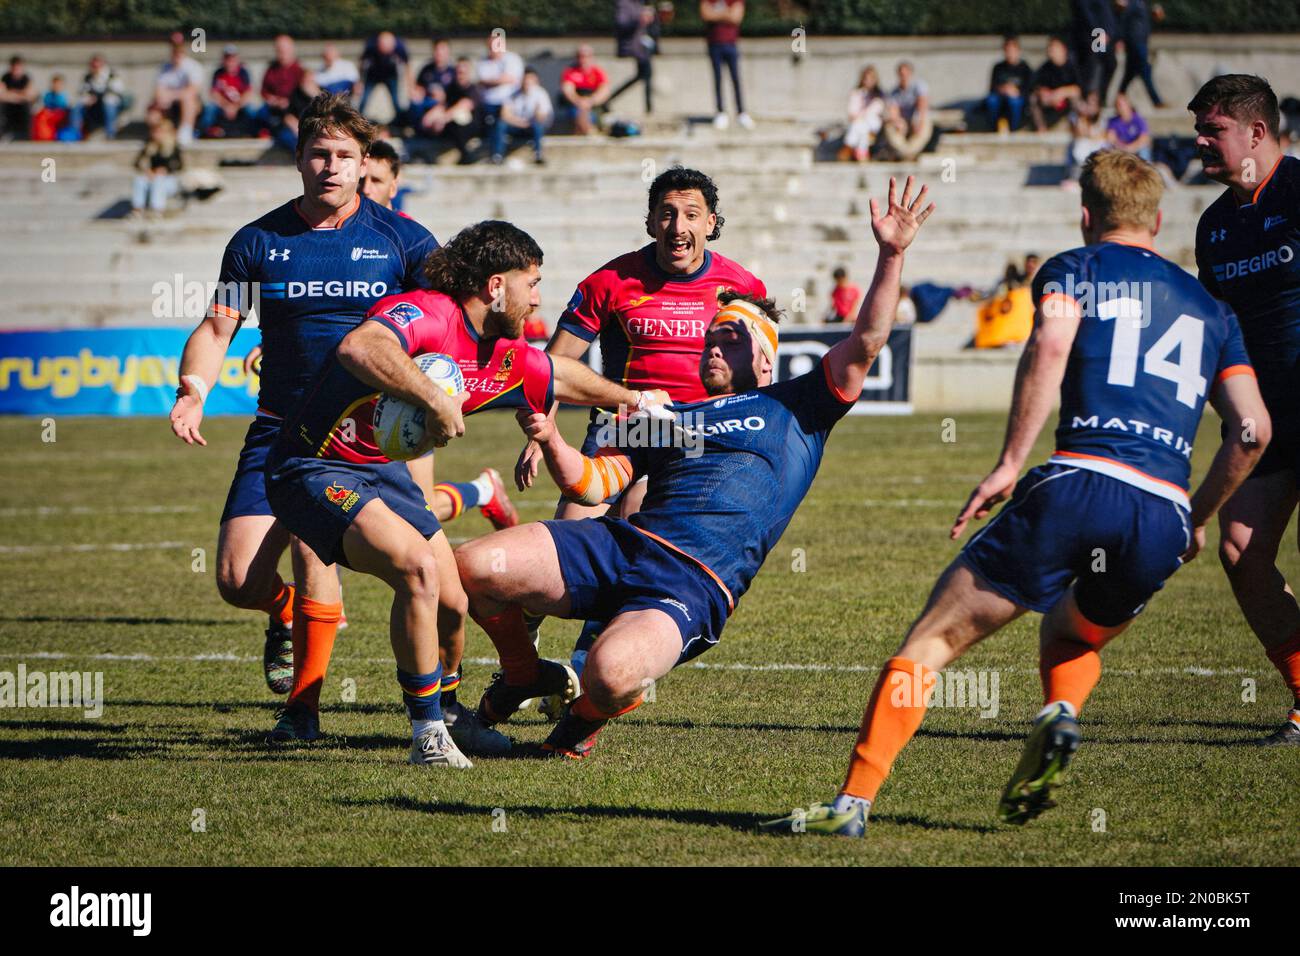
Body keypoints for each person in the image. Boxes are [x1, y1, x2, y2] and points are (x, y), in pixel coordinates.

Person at [761, 150, 1268, 836]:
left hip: (1079, 481)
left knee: (930, 644)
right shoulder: (1214, 310)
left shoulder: (1073, 268)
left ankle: (851, 803)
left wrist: (1008, 463)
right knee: (1072, 632)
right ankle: (1059, 714)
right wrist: (1196, 519)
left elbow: (1050, 348)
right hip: (1160, 515)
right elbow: (1251, 430)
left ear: (1086, 214)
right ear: (1156, 218)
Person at [457, 176, 933, 758]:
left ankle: (574, 727)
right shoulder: (664, 411)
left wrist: (891, 254)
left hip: (690, 580)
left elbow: (866, 341)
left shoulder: (795, 406)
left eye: (727, 337)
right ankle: (526, 673)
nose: (709, 344)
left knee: (610, 672)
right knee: (473, 566)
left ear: (763, 355)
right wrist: (551, 437)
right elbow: (592, 480)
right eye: (709, 335)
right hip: (621, 536)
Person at [265, 220, 667, 764]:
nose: (538, 298)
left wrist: (634, 400)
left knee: (453, 596)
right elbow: (360, 346)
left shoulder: (504, 349)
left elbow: (559, 374)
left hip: (380, 471)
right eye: (532, 282)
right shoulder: (429, 311)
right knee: (417, 570)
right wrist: (433, 396)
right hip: (311, 465)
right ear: (496, 286)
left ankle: (452, 715)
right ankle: (426, 734)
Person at [168, 94, 438, 721]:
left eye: (346, 155)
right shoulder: (257, 240)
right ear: (299, 160)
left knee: (355, 562)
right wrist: (194, 391)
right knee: (238, 582)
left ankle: (307, 710)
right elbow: (216, 327)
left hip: (365, 435)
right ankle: (284, 615)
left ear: (363, 161)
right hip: (280, 429)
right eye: (320, 153)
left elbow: (440, 325)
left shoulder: (405, 240)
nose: (333, 166)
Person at [514, 166, 767, 692]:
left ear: (712, 223)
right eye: (667, 213)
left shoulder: (743, 287)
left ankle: (581, 678)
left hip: (686, 444)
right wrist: (539, 436)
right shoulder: (609, 282)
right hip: (618, 433)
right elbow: (555, 364)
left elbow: (756, 375)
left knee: (634, 546)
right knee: (566, 543)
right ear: (650, 221)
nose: (678, 226)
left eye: (691, 214)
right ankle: (525, 646)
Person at [1191, 74, 1300, 745]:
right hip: (1269, 422)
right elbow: (1221, 336)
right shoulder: (1214, 228)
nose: (1200, 142)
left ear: (1257, 133)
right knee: (1240, 549)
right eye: (1200, 130)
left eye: (1214, 130)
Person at [359, 139, 520, 530]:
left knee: (417, 514)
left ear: (395, 185)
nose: (366, 189)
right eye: (360, 179)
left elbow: (449, 313)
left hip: (409, 390)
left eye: (377, 180)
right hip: (351, 384)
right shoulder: (331, 240)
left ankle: (481, 492)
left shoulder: (413, 241)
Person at [414, 56, 479, 163]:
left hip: (471, 126)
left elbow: (463, 105)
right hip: (451, 123)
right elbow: (443, 105)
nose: (460, 75)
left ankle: (467, 157)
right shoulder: (452, 88)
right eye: (458, 72)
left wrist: (442, 119)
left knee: (457, 126)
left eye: (463, 72)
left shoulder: (473, 89)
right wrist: (429, 118)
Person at [701, 0, 753, 130]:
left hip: (730, 43)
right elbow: (706, 14)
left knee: (736, 79)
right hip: (714, 44)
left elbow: (736, 17)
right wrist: (727, 13)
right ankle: (720, 112)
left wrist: (716, 13)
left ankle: (741, 112)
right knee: (718, 79)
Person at [258, 34, 315, 150]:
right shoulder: (271, 70)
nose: (282, 54)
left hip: (294, 113)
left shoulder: (300, 71)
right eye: (279, 50)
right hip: (276, 111)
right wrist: (273, 100)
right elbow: (264, 92)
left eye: (284, 50)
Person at [491, 67, 552, 165]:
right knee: (500, 125)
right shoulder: (512, 94)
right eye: (525, 79)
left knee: (538, 126)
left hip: (532, 126)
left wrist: (532, 119)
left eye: (530, 80)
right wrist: (520, 123)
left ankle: (538, 154)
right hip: (517, 125)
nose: (526, 83)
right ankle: (497, 155)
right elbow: (504, 115)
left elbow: (541, 117)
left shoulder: (541, 94)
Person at [153, 31, 205, 144]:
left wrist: (170, 95)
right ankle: (159, 135)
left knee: (188, 100)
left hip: (190, 104)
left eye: (179, 45)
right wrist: (164, 97)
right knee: (153, 111)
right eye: (173, 45)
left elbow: (193, 90)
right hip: (170, 104)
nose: (176, 49)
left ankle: (185, 132)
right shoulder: (164, 67)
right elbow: (158, 92)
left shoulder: (193, 66)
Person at [476, 31, 524, 149]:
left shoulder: (512, 59)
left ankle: (497, 154)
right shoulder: (483, 62)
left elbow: (511, 79)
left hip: (510, 102)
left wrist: (492, 81)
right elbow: (482, 81)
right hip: (488, 104)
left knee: (501, 122)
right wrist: (500, 80)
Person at [609, 0, 659, 115]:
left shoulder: (640, 3)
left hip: (642, 48)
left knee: (646, 74)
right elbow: (622, 24)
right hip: (631, 48)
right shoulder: (623, 4)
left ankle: (649, 107)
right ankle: (610, 99)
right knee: (644, 74)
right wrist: (639, 20)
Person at [132, 107, 182, 214]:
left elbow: (178, 165)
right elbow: (137, 163)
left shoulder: (172, 147)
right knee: (140, 180)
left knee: (159, 181)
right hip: (152, 177)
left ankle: (157, 209)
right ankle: (137, 208)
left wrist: (165, 170)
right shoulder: (149, 146)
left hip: (168, 179)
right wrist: (147, 171)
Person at [1030, 37, 1084, 132]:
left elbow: (1079, 89)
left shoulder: (1073, 67)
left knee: (1076, 100)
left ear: (1063, 50)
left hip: (1067, 102)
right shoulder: (1045, 68)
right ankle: (1041, 129)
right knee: (1033, 99)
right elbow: (1037, 87)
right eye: (1050, 48)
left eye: (1054, 48)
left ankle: (1077, 128)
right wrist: (1045, 94)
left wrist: (1062, 93)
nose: (1051, 51)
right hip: (1051, 102)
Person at [1070, 0, 1119, 107]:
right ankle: (1092, 99)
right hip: (1092, 37)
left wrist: (1112, 34)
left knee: (1108, 64)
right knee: (1095, 66)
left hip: (1103, 36)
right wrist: (1100, 32)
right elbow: (1086, 13)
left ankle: (1099, 97)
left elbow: (1106, 13)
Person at [1116, 0, 1164, 108]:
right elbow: (1123, 20)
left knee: (1130, 72)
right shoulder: (1132, 3)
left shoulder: (1143, 3)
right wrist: (1120, 38)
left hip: (1141, 40)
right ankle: (1156, 101)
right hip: (1135, 41)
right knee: (1145, 70)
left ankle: (1120, 96)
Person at [201, 45, 254, 138]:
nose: (230, 62)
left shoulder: (243, 72)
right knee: (209, 109)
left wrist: (236, 106)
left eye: (232, 58)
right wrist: (226, 106)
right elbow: (214, 93)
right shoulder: (218, 73)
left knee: (251, 111)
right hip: (223, 106)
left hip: (239, 105)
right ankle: (205, 132)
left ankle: (252, 132)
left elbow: (248, 93)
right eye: (227, 58)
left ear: (237, 59)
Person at [883, 61, 932, 161]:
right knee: (890, 127)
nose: (903, 76)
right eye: (901, 74)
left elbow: (922, 105)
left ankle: (906, 154)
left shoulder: (919, 86)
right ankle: (907, 153)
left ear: (910, 73)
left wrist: (918, 120)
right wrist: (898, 122)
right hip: (904, 122)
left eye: (906, 73)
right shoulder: (894, 92)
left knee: (924, 125)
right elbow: (893, 110)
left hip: (917, 119)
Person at [986, 35, 1033, 133]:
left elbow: (1029, 88)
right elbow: (992, 88)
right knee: (991, 100)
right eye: (1008, 50)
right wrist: (1004, 89)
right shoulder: (998, 67)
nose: (1010, 53)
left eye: (1013, 50)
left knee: (1015, 102)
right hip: (1001, 98)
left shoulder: (1025, 68)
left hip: (1017, 99)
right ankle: (993, 129)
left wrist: (1016, 91)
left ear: (1018, 51)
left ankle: (1014, 129)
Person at [561, 44, 610, 135]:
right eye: (580, 56)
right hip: (576, 104)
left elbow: (604, 90)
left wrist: (590, 101)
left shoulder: (598, 72)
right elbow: (568, 90)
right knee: (579, 113)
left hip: (593, 104)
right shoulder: (570, 72)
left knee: (588, 114)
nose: (583, 59)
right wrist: (579, 101)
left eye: (587, 56)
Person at [359, 31, 409, 119]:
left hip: (390, 74)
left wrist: (410, 85)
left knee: (396, 100)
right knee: (364, 99)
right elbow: (362, 63)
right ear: (378, 44)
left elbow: (407, 65)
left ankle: (400, 121)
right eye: (383, 48)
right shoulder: (371, 46)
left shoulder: (400, 47)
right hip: (373, 74)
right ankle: (357, 119)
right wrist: (359, 81)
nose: (385, 52)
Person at [75, 55, 127, 139]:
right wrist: (88, 99)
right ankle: (76, 134)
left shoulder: (112, 75)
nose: (95, 68)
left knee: (109, 106)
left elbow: (119, 91)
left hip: (111, 106)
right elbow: (81, 93)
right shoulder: (88, 77)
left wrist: (100, 97)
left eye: (97, 66)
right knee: (77, 107)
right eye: (93, 66)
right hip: (93, 108)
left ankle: (110, 134)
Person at [842, 65, 885, 163]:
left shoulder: (879, 95)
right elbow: (851, 113)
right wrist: (859, 115)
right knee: (861, 128)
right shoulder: (856, 93)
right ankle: (862, 154)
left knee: (861, 125)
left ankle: (849, 145)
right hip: (860, 123)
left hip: (872, 123)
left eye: (871, 78)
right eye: (866, 78)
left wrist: (860, 115)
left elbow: (874, 111)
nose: (868, 81)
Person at [410, 38, 454, 122]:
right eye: (437, 49)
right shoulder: (426, 69)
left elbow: (458, 93)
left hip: (444, 104)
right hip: (427, 101)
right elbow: (418, 87)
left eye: (442, 49)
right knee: (415, 103)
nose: (439, 52)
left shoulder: (453, 71)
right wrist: (419, 93)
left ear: (448, 52)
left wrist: (445, 96)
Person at [1106, 91, 1153, 160]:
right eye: (1118, 105)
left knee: (1144, 149)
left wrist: (1131, 147)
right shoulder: (1113, 122)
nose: (1120, 107)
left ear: (1128, 104)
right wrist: (1122, 147)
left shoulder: (1139, 119)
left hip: (1136, 148)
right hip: (1121, 149)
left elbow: (1144, 138)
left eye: (1122, 104)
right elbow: (1111, 138)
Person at [0, 55, 36, 140]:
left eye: (18, 67)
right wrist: (21, 94)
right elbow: (1, 95)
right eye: (14, 67)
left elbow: (30, 95)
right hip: (8, 105)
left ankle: (26, 134)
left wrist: (11, 93)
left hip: (21, 105)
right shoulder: (5, 77)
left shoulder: (26, 78)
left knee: (27, 106)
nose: (16, 70)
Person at [31, 74, 72, 141]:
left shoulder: (65, 96)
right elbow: (40, 106)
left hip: (60, 118)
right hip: (49, 118)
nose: (57, 86)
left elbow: (67, 109)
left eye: (59, 84)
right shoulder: (46, 95)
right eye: (55, 84)